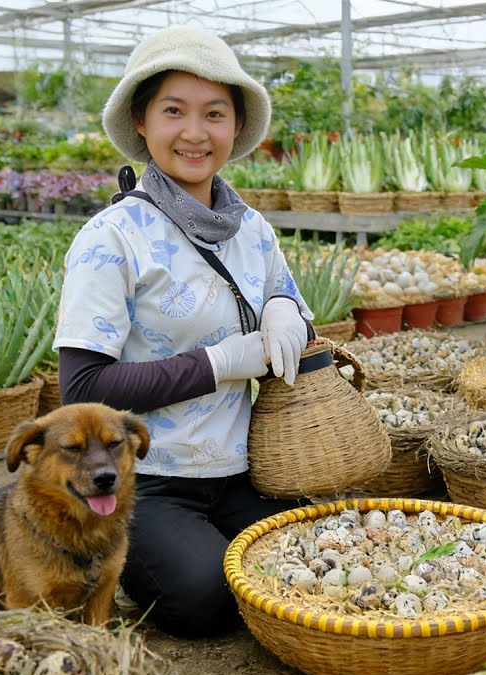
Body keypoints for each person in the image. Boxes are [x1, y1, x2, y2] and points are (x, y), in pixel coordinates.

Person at [53, 25, 315, 638]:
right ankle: (114, 555)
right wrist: (219, 364)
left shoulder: (251, 228)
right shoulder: (111, 237)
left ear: (235, 126)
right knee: (206, 597)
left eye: (214, 114)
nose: (195, 132)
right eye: (174, 111)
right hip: (146, 477)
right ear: (141, 121)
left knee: (307, 557)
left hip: (245, 465)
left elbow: (293, 315)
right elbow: (83, 389)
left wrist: (285, 307)